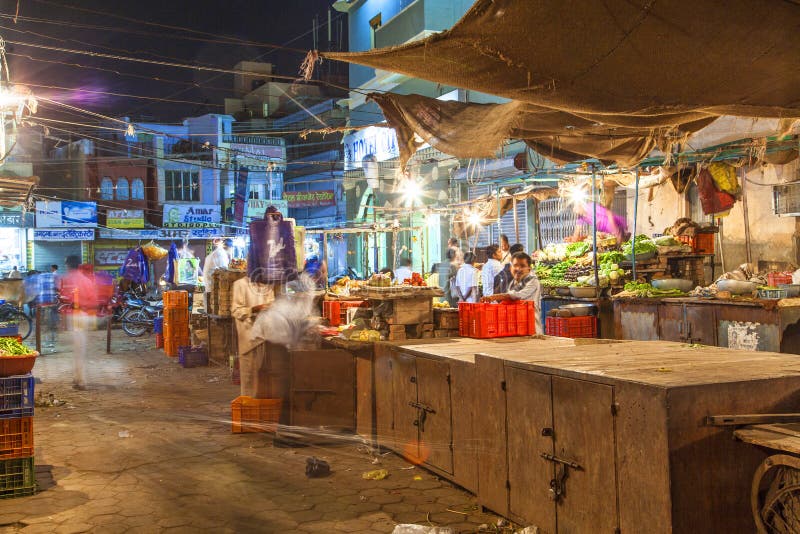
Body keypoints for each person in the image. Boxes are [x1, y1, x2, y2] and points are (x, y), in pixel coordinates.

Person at [231, 276, 276, 398]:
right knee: (248, 378)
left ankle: (261, 408)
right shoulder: (240, 284)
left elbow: (272, 304)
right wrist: (254, 309)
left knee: (264, 379)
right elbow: (236, 311)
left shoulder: (267, 285)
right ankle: (248, 408)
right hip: (248, 340)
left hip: (264, 338)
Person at [60, 255, 98, 389]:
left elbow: (63, 297)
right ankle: (77, 377)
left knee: (78, 348)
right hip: (83, 315)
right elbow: (93, 300)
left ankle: (81, 380)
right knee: (79, 348)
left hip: (75, 316)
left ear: (69, 265)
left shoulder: (68, 279)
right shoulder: (86, 280)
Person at [482, 251, 542, 334]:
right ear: (511, 267)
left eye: (522, 266)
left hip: (532, 330)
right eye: (515, 265)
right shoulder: (513, 282)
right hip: (517, 329)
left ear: (529, 268)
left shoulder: (533, 281)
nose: (518, 269)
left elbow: (518, 295)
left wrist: (494, 297)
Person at [203, 238, 231, 310]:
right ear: (229, 247)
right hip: (213, 291)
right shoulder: (221, 254)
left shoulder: (216, 253)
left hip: (210, 288)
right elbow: (224, 272)